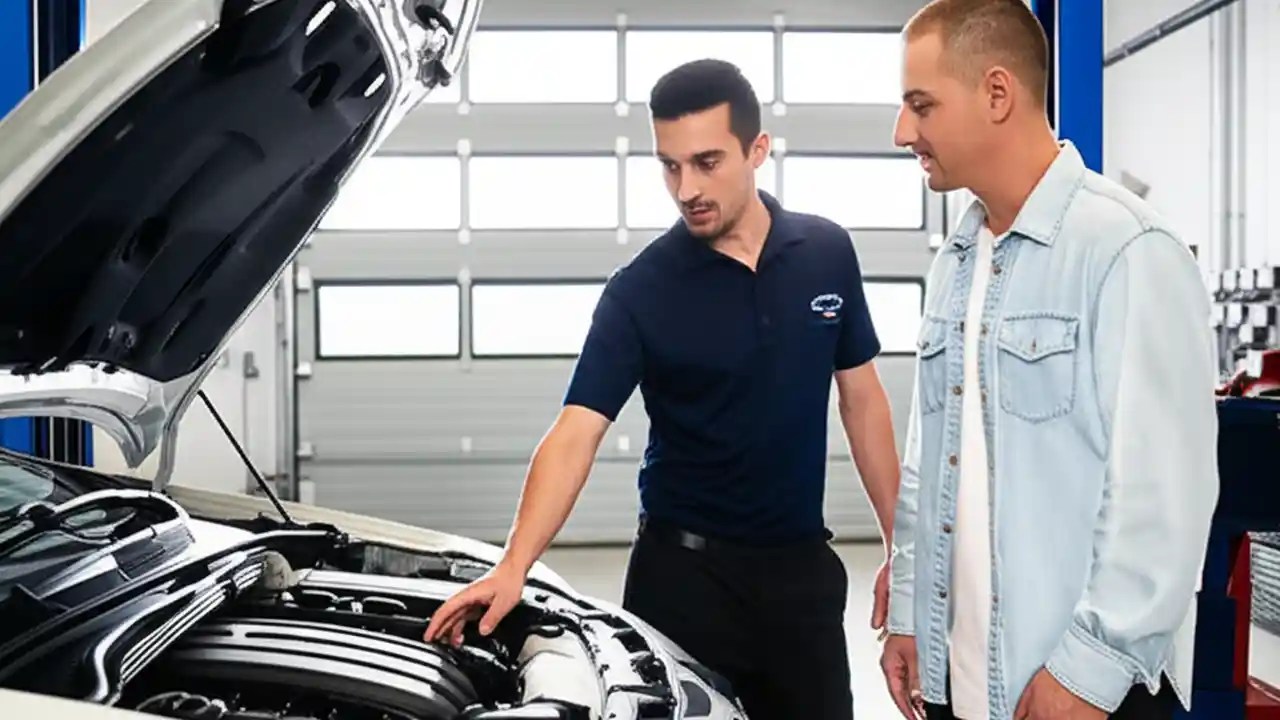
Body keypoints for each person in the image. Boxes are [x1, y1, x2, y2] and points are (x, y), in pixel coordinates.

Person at [423, 58, 904, 719]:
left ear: (757, 150)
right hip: (682, 586)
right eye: (670, 166)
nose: (687, 188)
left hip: (800, 579)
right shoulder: (640, 291)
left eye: (707, 162)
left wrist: (899, 545)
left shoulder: (826, 254)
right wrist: (514, 565)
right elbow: (576, 431)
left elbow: (862, 399)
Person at [879, 1, 1220, 719]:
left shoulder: (1127, 251)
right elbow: (926, 463)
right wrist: (909, 610)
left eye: (922, 105)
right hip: (957, 686)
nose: (902, 131)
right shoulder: (955, 262)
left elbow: (1163, 501)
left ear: (997, 93)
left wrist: (1089, 672)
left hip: (1083, 696)